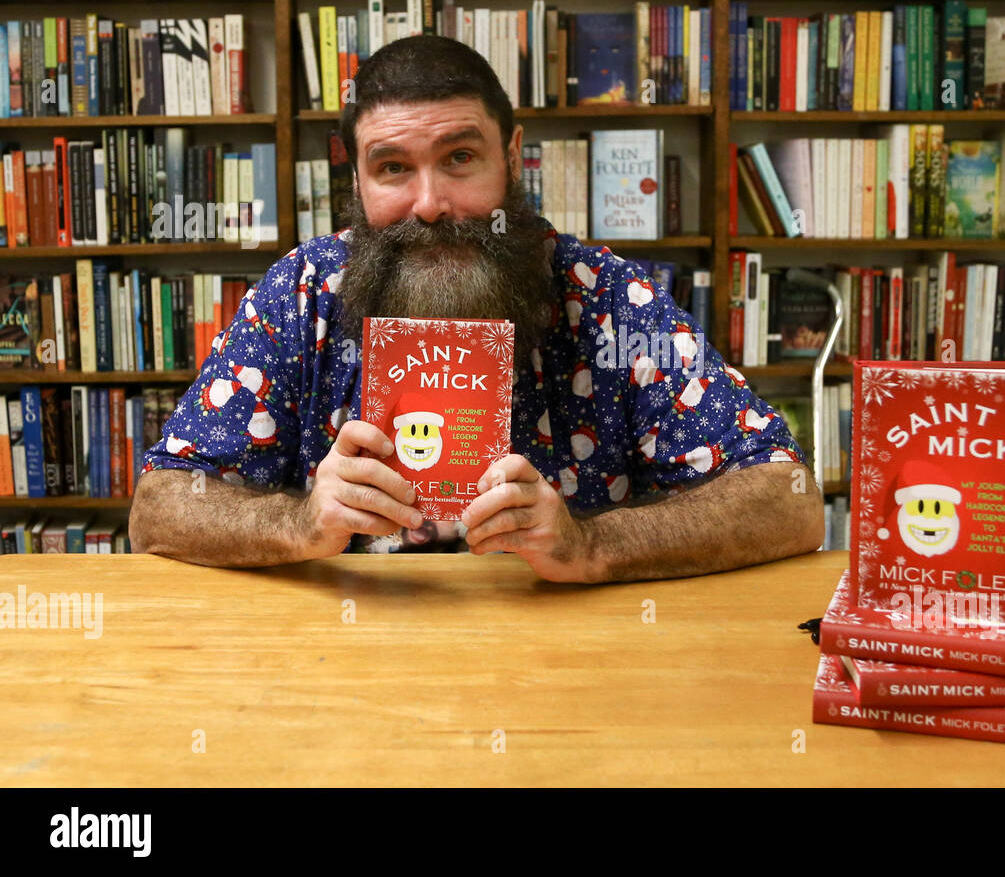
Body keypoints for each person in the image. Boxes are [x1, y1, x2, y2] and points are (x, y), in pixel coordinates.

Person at [128, 35, 825, 582]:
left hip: (564, 662)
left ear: (513, 156)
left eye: (460, 157)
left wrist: (592, 543)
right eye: (393, 167)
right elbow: (158, 508)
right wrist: (299, 524)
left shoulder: (609, 298)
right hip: (340, 663)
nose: (429, 205)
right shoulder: (303, 290)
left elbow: (788, 500)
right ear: (357, 176)